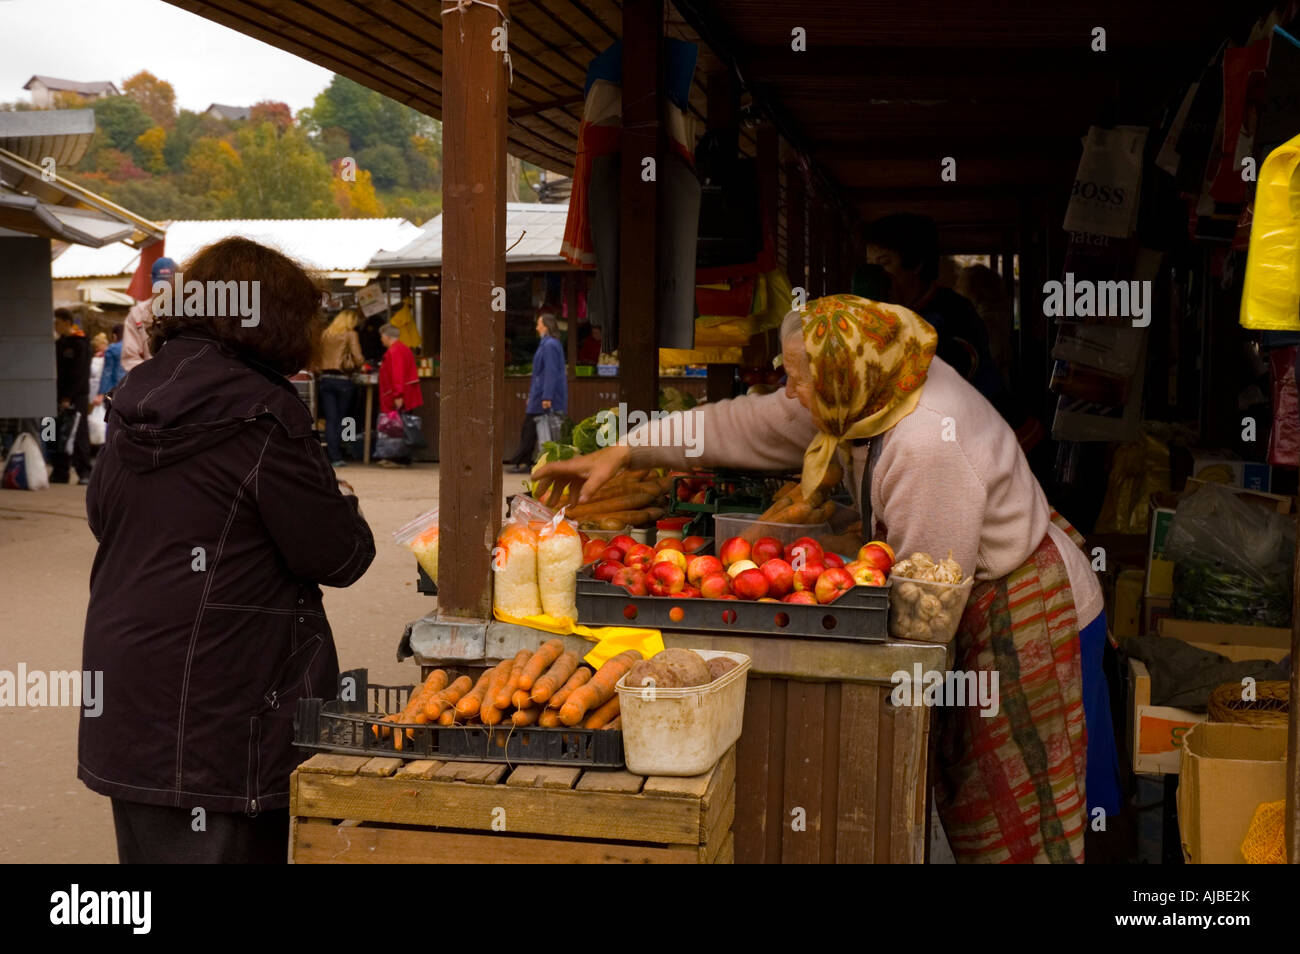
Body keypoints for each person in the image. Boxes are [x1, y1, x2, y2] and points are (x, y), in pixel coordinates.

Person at [535, 294, 1116, 864]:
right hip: (971, 589)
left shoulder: (928, 445)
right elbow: (751, 422)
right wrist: (625, 451)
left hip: (1022, 612)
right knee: (979, 794)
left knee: (1020, 809)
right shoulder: (868, 384)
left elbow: (924, 610)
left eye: (797, 379)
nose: (789, 392)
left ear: (839, 377)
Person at [79, 237, 376, 864]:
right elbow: (339, 556)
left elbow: (104, 519)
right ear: (280, 322)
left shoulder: (134, 398)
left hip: (127, 692)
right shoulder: (266, 414)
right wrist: (342, 501)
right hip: (229, 705)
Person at [863, 215, 1006, 405]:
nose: (876, 274)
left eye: (884, 263)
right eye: (870, 264)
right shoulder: (879, 313)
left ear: (915, 264)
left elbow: (952, 374)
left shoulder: (955, 311)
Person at [508, 313, 568, 473]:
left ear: (546, 326)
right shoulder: (548, 344)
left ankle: (524, 462)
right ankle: (525, 461)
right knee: (532, 428)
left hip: (544, 395)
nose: (537, 327)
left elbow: (550, 372)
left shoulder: (549, 345)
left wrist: (547, 397)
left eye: (539, 324)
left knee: (530, 428)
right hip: (540, 394)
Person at [314, 309, 365, 467]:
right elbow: (358, 357)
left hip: (325, 379)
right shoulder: (350, 334)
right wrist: (360, 364)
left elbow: (316, 356)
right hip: (343, 380)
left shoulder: (325, 334)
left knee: (331, 419)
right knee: (342, 418)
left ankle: (333, 456)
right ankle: (340, 454)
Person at [956, 264, 1014, 384]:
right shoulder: (997, 315)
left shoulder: (987, 321)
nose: (956, 289)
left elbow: (983, 359)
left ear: (972, 290)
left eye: (960, 286)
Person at [52, 309, 92, 485]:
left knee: (77, 433)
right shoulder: (59, 343)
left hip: (76, 397)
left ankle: (84, 472)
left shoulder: (80, 343)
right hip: (57, 396)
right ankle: (59, 471)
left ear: (67, 322)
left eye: (58, 322)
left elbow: (79, 374)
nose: (55, 326)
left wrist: (68, 396)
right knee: (54, 432)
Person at [376, 322, 422, 468]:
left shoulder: (395, 351)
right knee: (400, 427)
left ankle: (398, 458)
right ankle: (397, 457)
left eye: (382, 336)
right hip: (401, 394)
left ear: (387, 336)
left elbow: (397, 374)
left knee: (396, 428)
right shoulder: (402, 349)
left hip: (397, 396)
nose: (381, 339)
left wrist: (398, 395)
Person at [120, 256, 176, 371]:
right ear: (151, 280)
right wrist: (154, 374)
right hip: (151, 378)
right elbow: (130, 359)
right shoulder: (137, 314)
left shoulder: (189, 313)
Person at [97, 323, 126, 403]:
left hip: (113, 389)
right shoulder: (133, 348)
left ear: (114, 336)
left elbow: (107, 372)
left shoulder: (112, 349)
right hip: (129, 388)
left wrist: (101, 392)